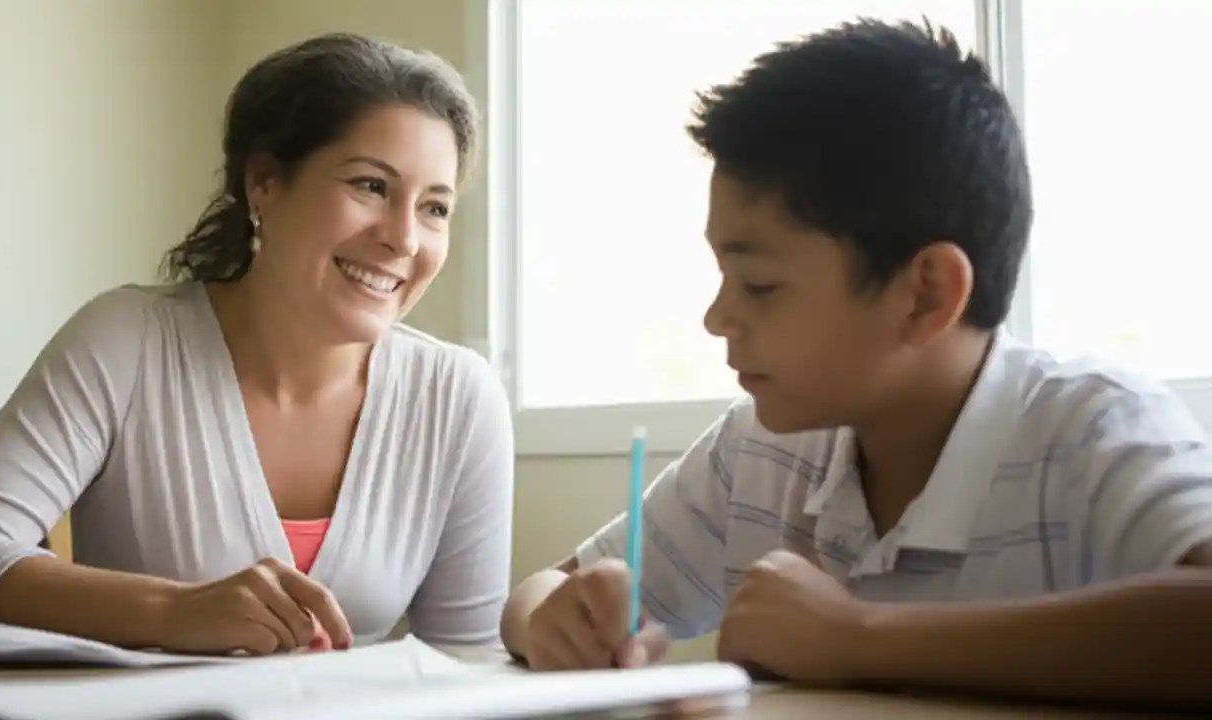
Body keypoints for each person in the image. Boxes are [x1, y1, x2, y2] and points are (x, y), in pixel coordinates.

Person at [501, 19, 1212, 709]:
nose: (717, 318)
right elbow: (538, 595)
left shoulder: (1093, 429)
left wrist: (857, 637)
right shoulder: (758, 450)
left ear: (925, 293)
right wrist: (551, 623)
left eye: (760, 285)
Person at [0, 33, 514, 655]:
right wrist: (171, 611)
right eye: (370, 186)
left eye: (434, 208)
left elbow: (466, 663)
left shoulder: (460, 397)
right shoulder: (127, 343)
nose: (403, 239)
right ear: (263, 182)